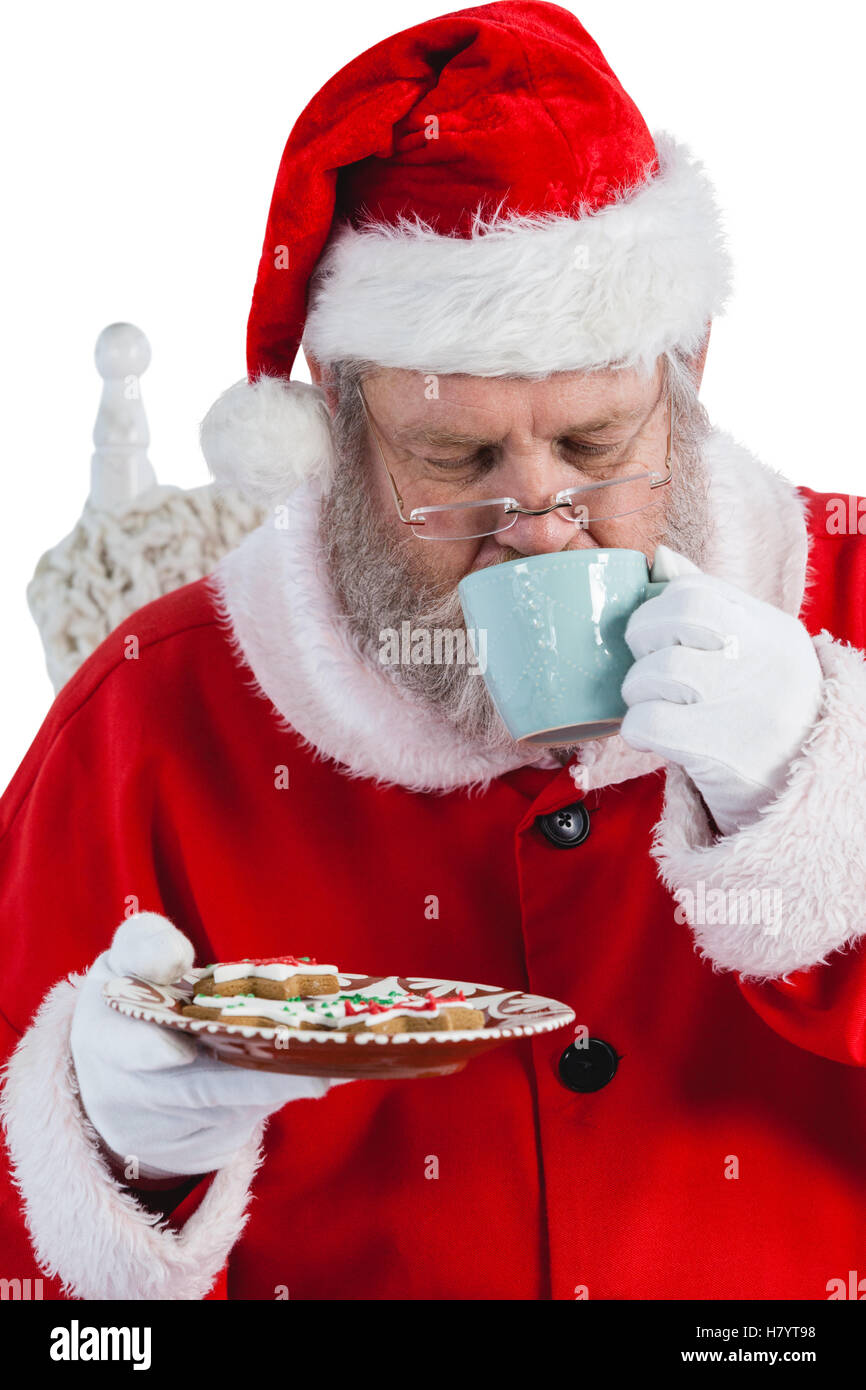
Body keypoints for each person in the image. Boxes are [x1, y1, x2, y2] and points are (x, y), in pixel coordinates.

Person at [2, 1, 865, 1301]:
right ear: (338, 440)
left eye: (594, 444)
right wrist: (114, 1162)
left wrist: (825, 805)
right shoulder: (152, 709)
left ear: (682, 380)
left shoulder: (846, 592)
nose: (539, 526)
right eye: (456, 460)